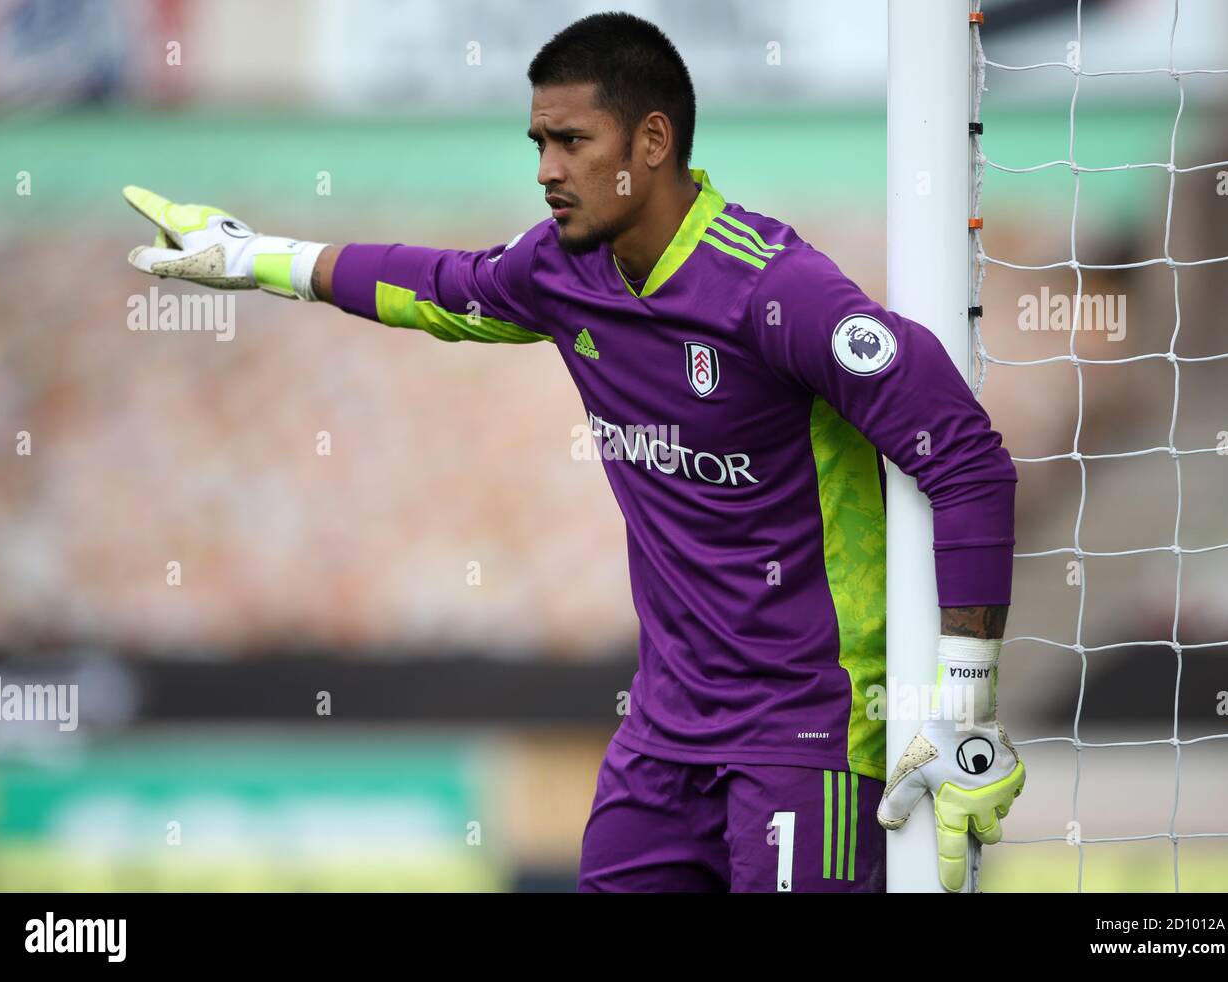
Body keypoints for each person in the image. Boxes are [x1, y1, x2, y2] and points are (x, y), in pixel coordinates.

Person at [122, 11, 1024, 893]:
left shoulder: (776, 293)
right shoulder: (561, 270)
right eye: (536, 144)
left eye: (571, 142)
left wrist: (964, 706)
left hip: (806, 739)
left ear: (653, 141)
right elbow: (431, 286)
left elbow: (967, 461)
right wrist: (256, 259)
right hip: (663, 736)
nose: (548, 171)